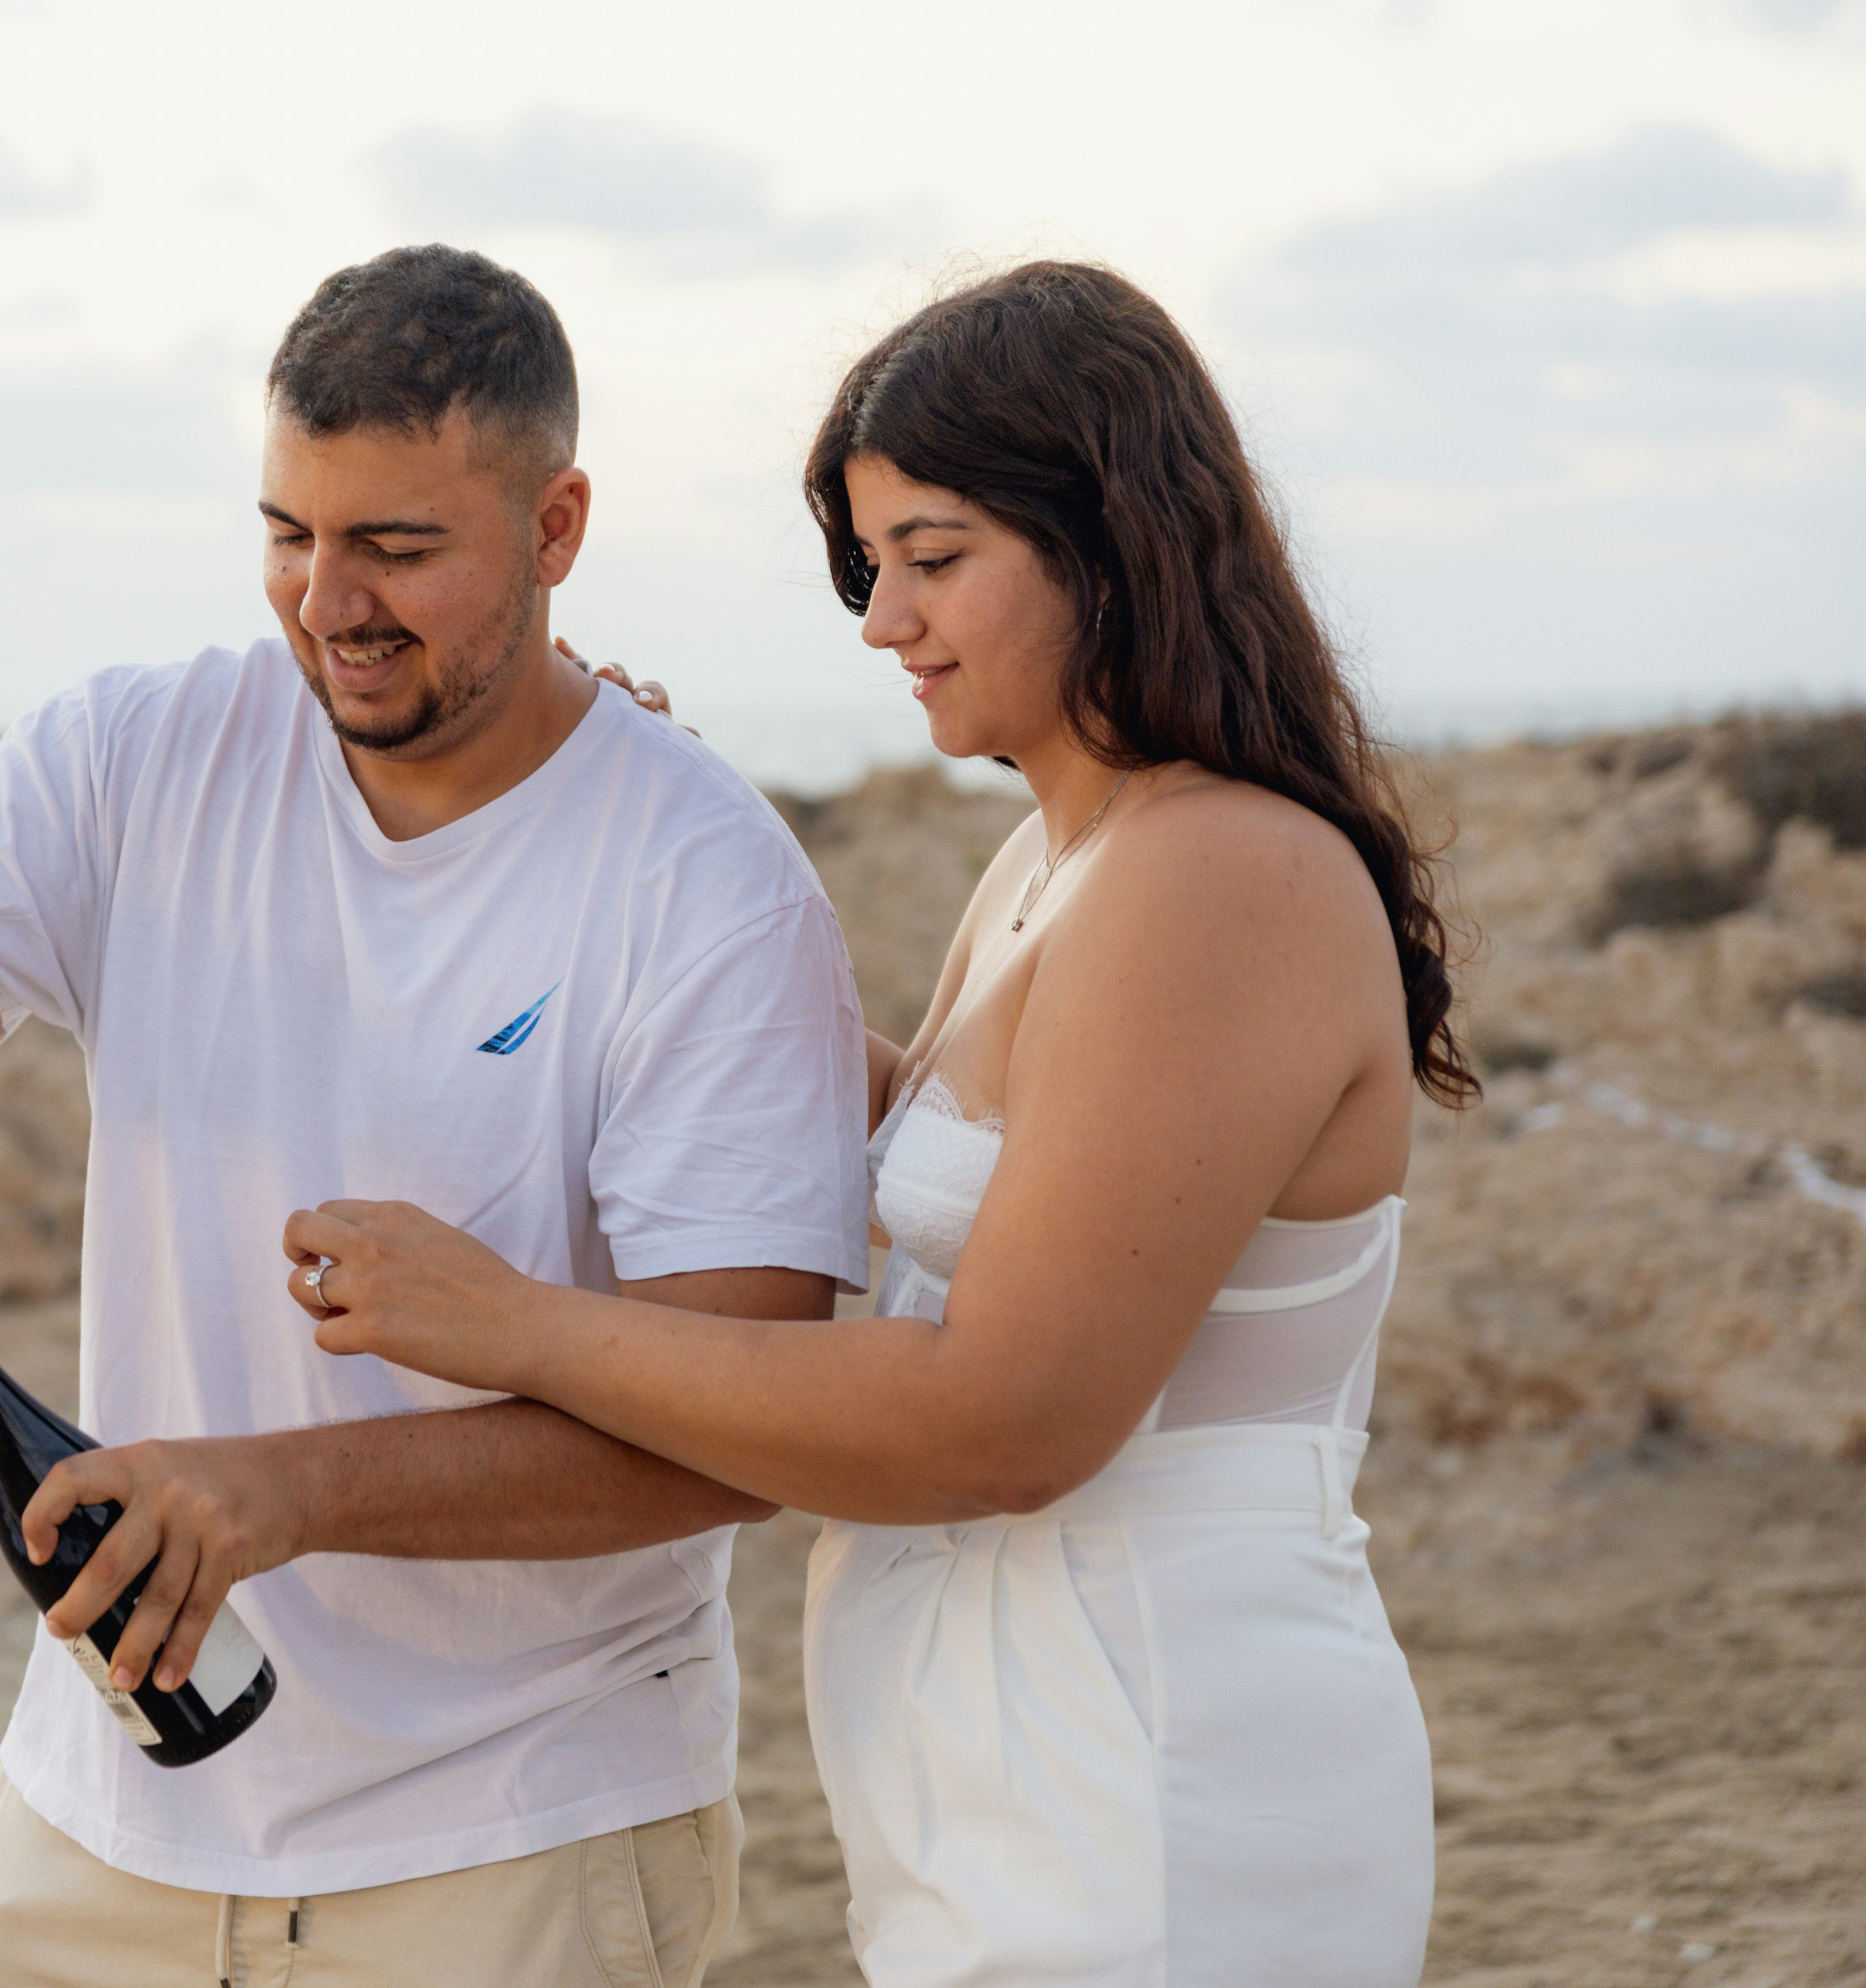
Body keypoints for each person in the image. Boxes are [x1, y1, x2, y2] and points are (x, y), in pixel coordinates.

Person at [0, 244, 873, 1988]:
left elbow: (745, 1424)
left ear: (557, 529)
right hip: (96, 1835)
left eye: (398, 547)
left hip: (513, 1844)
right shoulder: (146, 756)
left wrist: (283, 1495)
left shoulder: (708, 886)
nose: (327, 600)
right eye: (288, 534)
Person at [287, 260, 1466, 1987]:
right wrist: (634, 856)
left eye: (935, 559)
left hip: (1152, 1772)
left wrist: (519, 1326)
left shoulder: (1221, 877)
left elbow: (1006, 1418)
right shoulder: (1060, 862)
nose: (882, 622)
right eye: (873, 565)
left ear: (1113, 539)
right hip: (1003, 1771)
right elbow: (946, 1166)